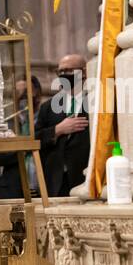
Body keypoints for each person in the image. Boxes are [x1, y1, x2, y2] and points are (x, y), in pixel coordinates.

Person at [35, 54, 90, 197]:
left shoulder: (96, 102)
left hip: (85, 176)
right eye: (60, 72)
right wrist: (57, 130)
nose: (64, 75)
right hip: (55, 181)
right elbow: (35, 139)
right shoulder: (48, 107)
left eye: (69, 71)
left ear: (84, 72)